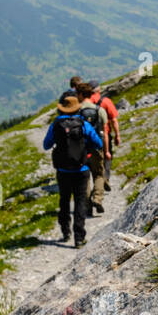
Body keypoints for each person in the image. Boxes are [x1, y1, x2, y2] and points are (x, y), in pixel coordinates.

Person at [43, 89, 105, 246]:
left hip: (63, 171)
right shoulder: (83, 124)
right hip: (81, 169)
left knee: (64, 200)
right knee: (80, 202)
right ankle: (79, 237)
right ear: (78, 108)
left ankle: (65, 231)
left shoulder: (56, 124)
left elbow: (46, 145)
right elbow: (98, 143)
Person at [70, 76, 120, 214]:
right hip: (97, 147)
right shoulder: (99, 110)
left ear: (80, 95)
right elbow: (104, 132)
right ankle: (97, 199)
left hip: (81, 150)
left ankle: (87, 205)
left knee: (84, 176)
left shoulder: (75, 112)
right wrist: (107, 150)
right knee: (99, 174)